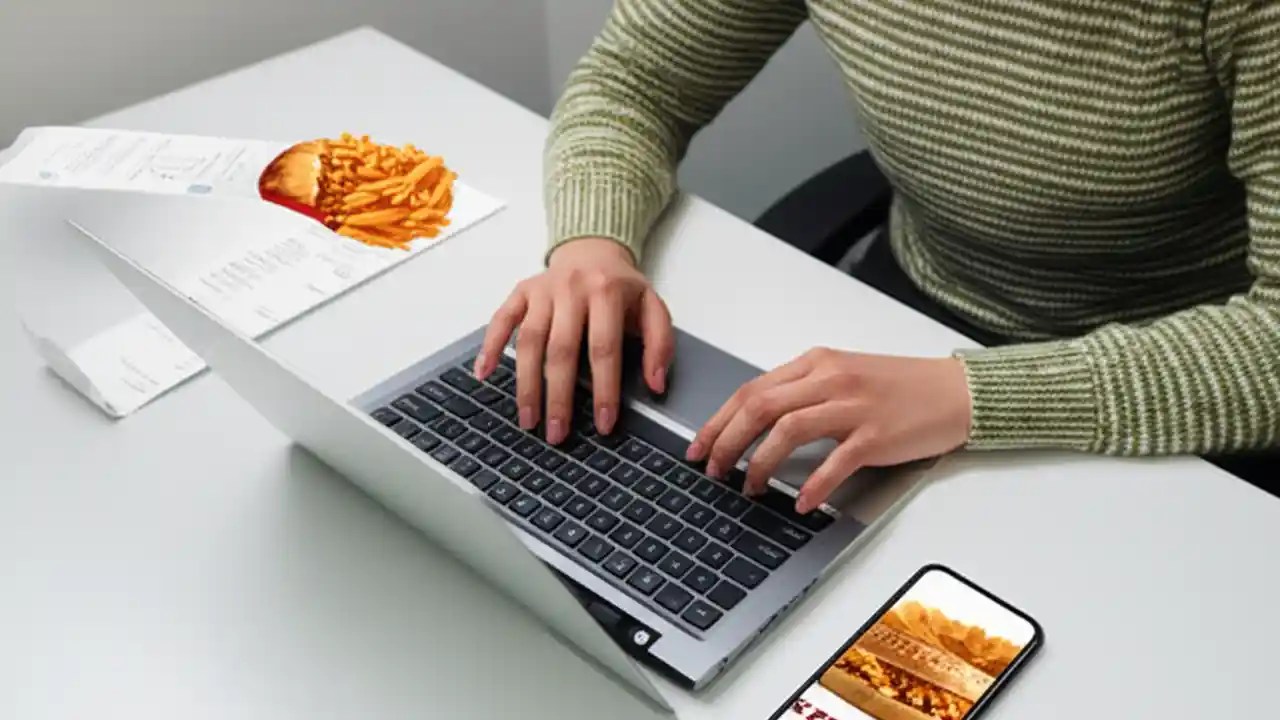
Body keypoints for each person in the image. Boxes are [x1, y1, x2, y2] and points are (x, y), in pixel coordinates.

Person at [476, 0, 1280, 511]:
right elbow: (635, 81)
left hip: (1180, 381)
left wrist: (974, 396)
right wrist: (592, 245)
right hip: (911, 310)